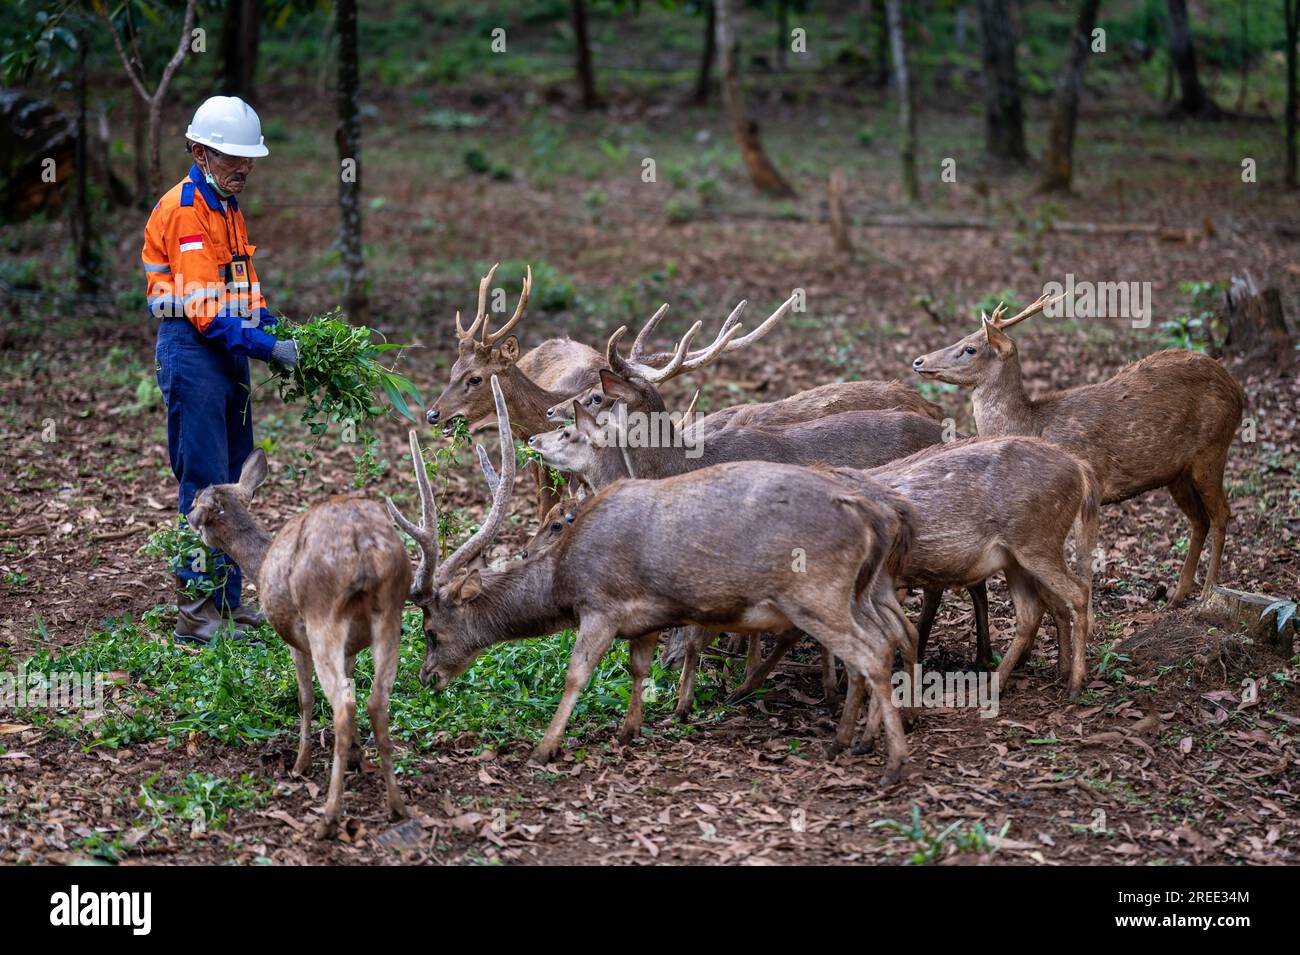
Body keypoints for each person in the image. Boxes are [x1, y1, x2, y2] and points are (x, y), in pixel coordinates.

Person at [142, 95, 299, 643]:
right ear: (199, 151)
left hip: (226, 351)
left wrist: (280, 332)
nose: (243, 167)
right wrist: (267, 348)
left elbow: (239, 296)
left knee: (234, 482)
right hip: (193, 350)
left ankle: (228, 605)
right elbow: (206, 312)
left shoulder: (226, 205)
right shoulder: (188, 210)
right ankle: (197, 611)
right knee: (205, 481)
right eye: (231, 155)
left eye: (247, 156)